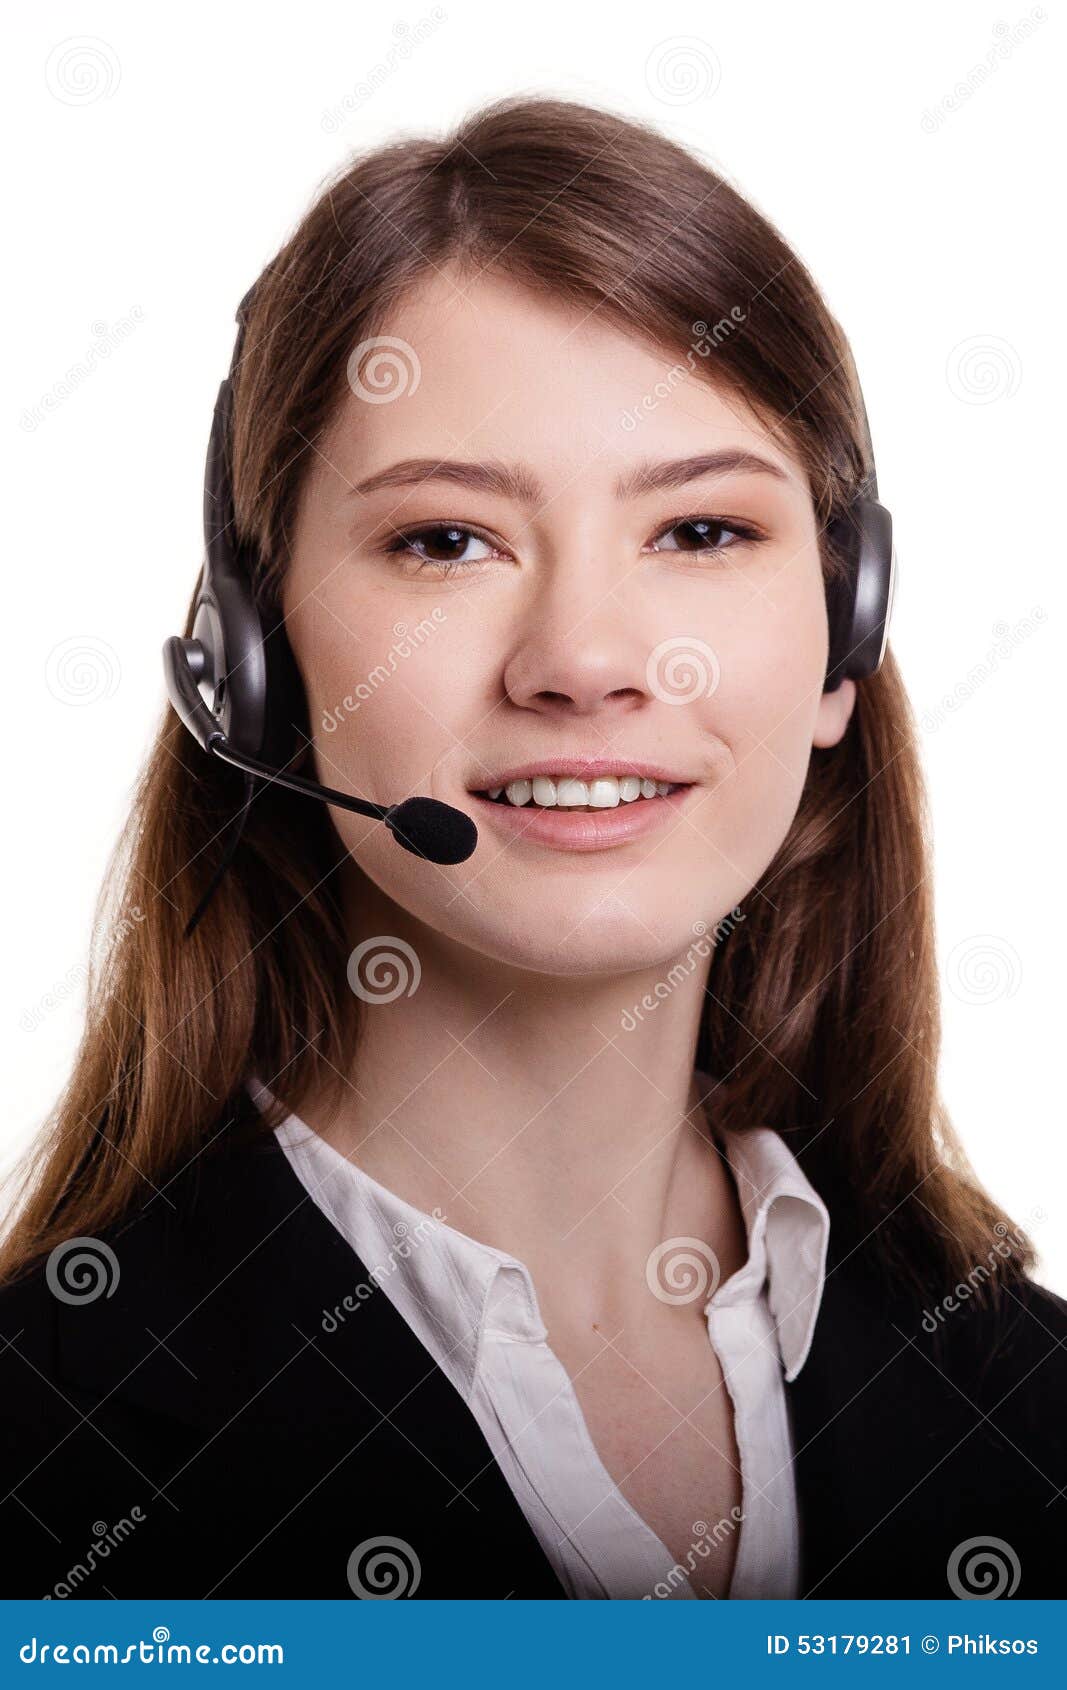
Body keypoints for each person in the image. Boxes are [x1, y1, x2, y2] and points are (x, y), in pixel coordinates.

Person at [1, 94, 1063, 1602]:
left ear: (845, 638)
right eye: (446, 539)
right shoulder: (45, 1447)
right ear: (252, 662)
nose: (585, 660)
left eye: (699, 532)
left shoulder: (1031, 1405)